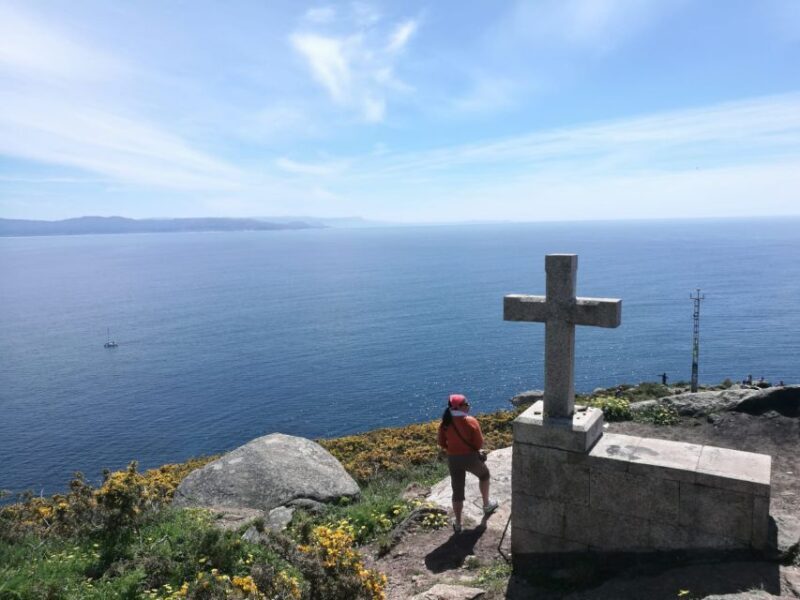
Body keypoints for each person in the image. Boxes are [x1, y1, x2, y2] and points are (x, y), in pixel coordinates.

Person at [437, 393, 498, 533]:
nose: (469, 406)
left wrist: (452, 449)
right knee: (484, 475)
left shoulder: (445, 423)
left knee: (457, 492)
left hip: (453, 460)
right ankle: (486, 505)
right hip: (470, 458)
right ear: (462, 406)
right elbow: (478, 443)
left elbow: (441, 442)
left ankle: (458, 524)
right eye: (467, 404)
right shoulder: (470, 421)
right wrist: (473, 451)